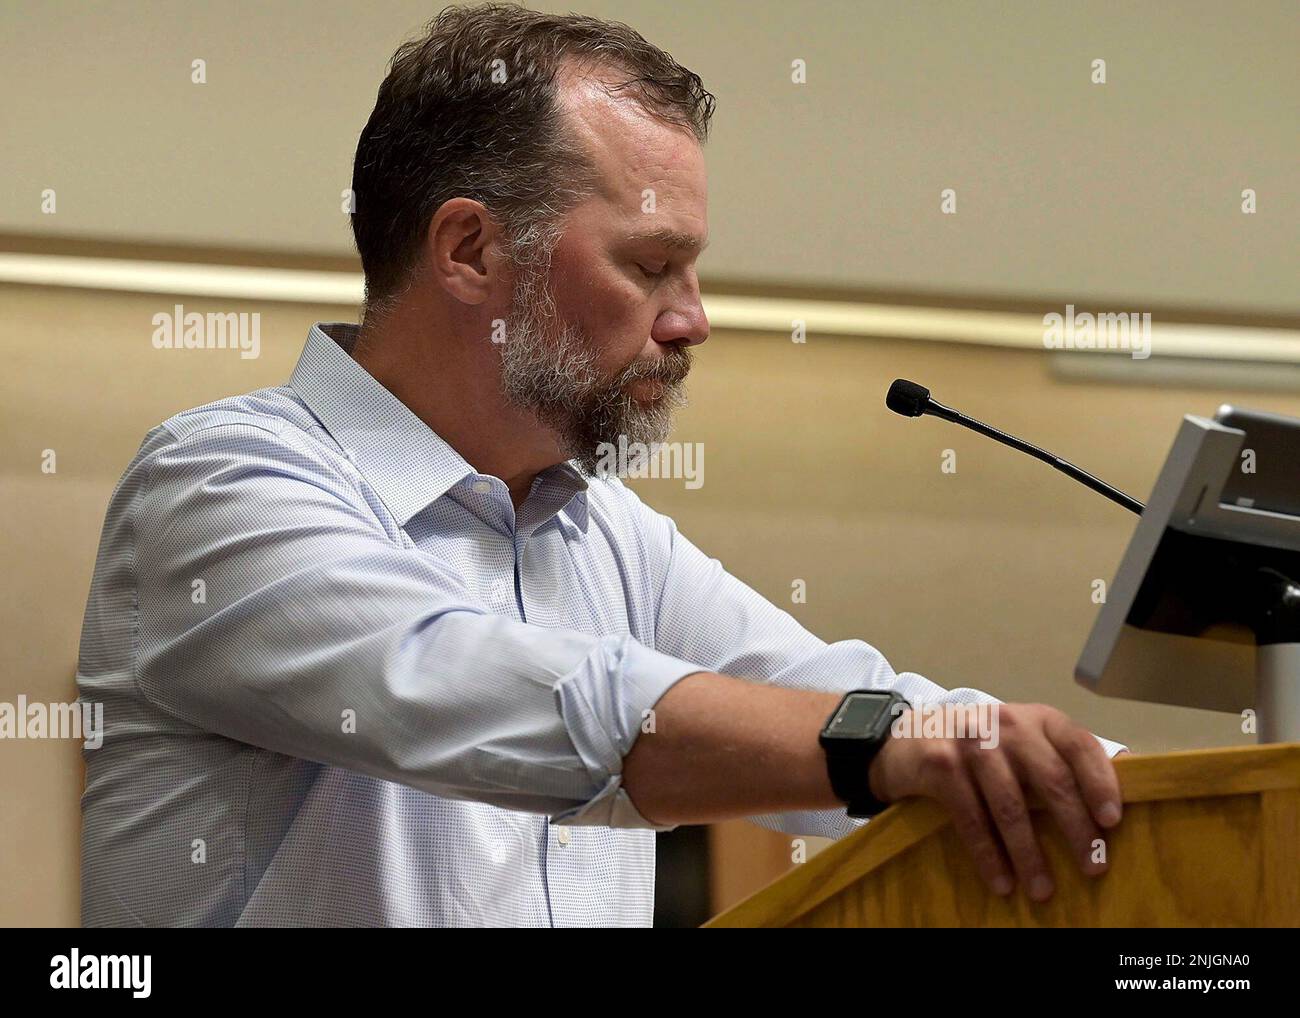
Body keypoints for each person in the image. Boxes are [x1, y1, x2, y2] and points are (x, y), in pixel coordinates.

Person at [78, 3, 1125, 927]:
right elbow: (503, 691)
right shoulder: (219, 484)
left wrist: (1131, 787)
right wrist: (884, 739)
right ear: (471, 252)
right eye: (650, 263)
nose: (694, 319)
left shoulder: (599, 528)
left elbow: (836, 694)